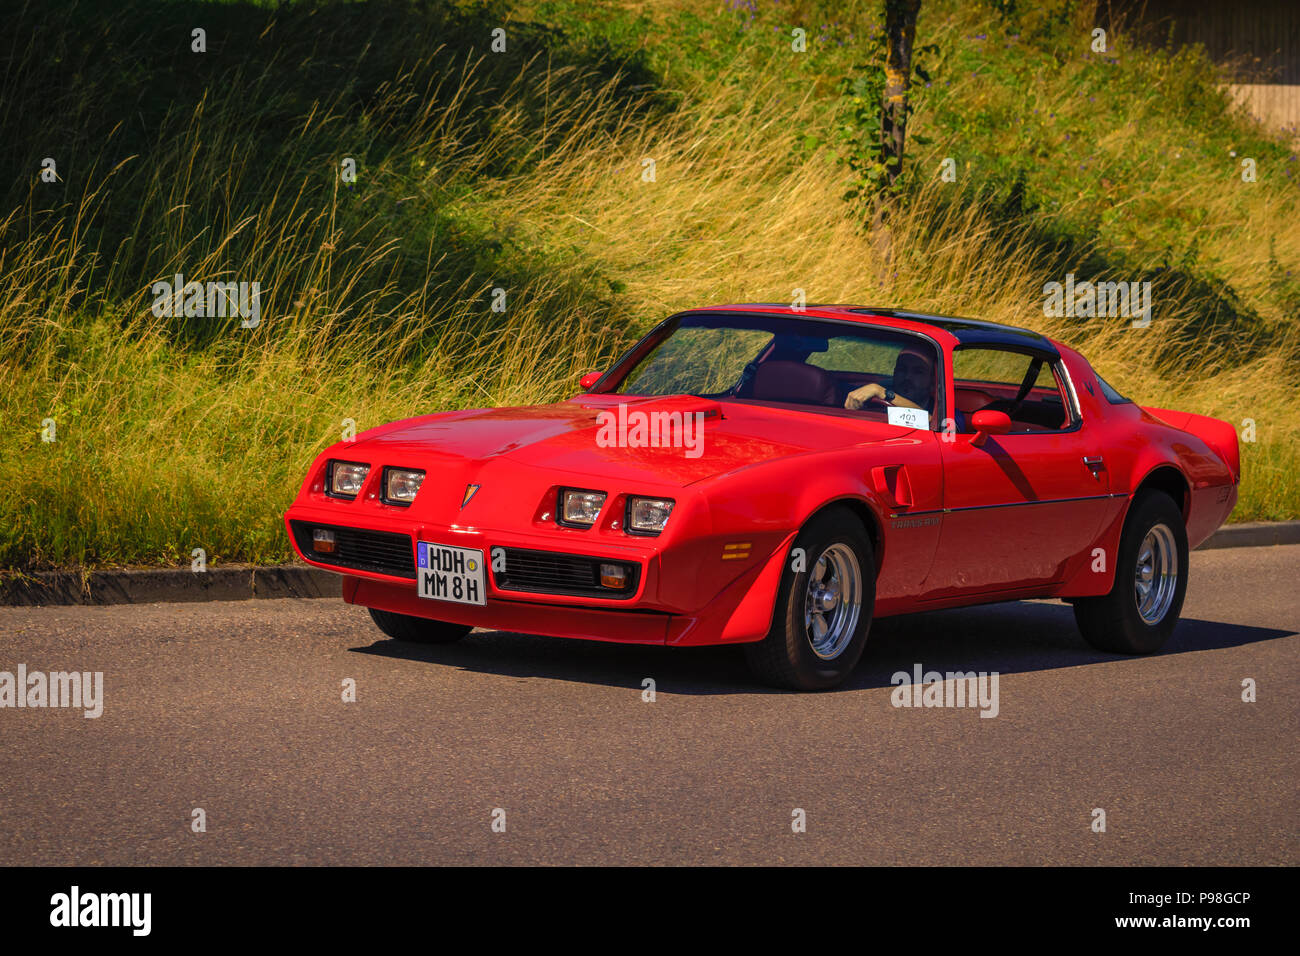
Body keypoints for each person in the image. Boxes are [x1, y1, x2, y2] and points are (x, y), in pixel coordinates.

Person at [844, 347, 936, 413]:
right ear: (894, 373)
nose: (907, 377)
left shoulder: (942, 409)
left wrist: (880, 392)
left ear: (932, 382)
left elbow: (928, 420)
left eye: (918, 372)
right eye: (902, 369)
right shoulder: (871, 395)